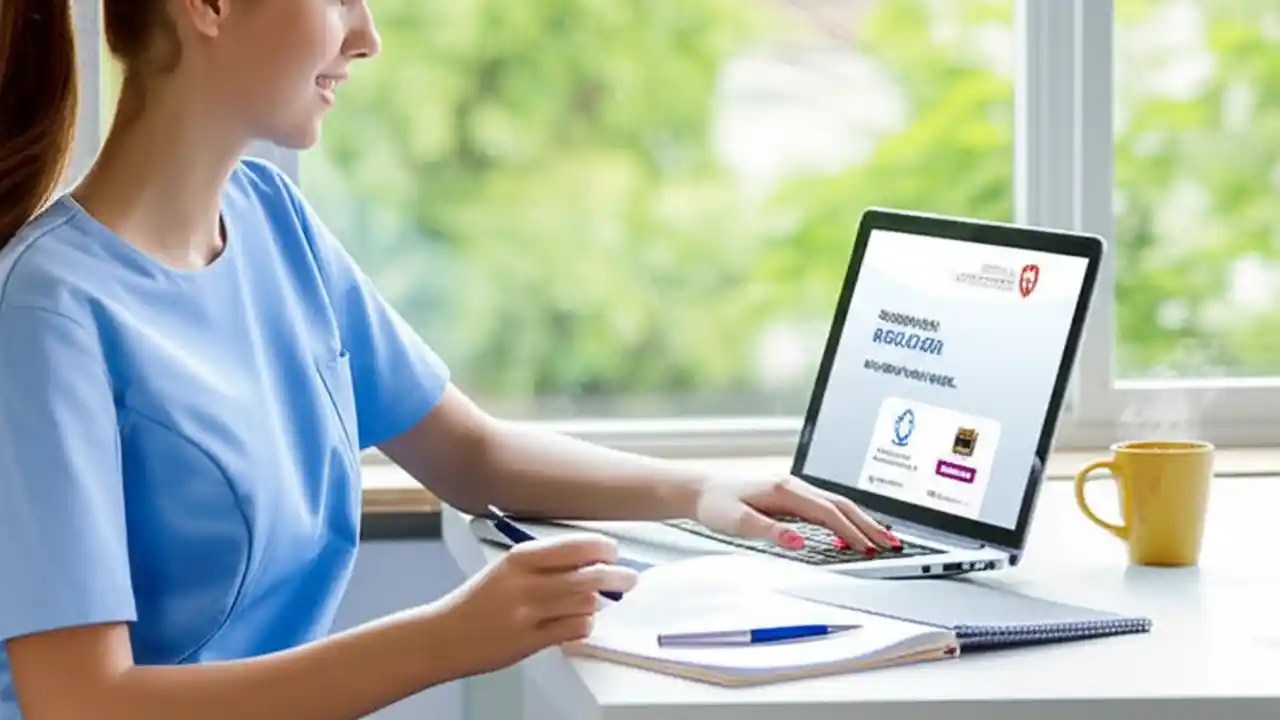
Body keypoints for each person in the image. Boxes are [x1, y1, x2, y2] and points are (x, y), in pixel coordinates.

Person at [0, 1, 898, 718]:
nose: (368, 36)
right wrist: (444, 639)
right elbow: (81, 703)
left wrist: (699, 494)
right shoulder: (48, 313)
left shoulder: (270, 217)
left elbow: (471, 454)